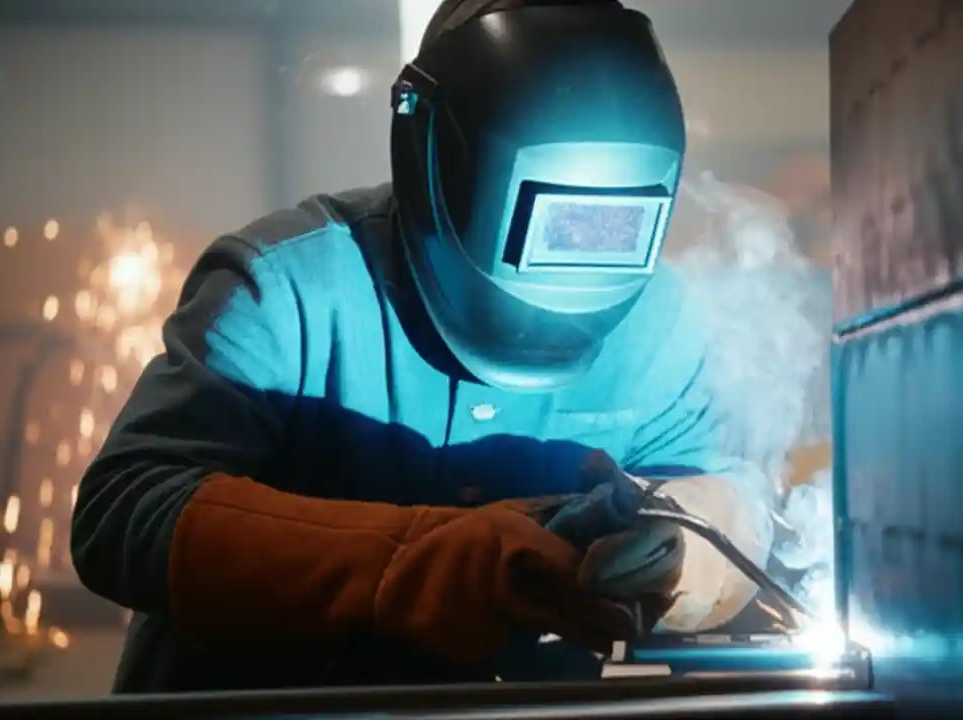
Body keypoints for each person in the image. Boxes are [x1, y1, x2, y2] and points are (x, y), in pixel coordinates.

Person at [71, 0, 773, 693]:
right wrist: (407, 559)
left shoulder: (662, 324)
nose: (575, 256)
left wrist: (687, 553)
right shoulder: (289, 288)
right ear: (434, 156)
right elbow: (125, 510)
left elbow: (723, 494)